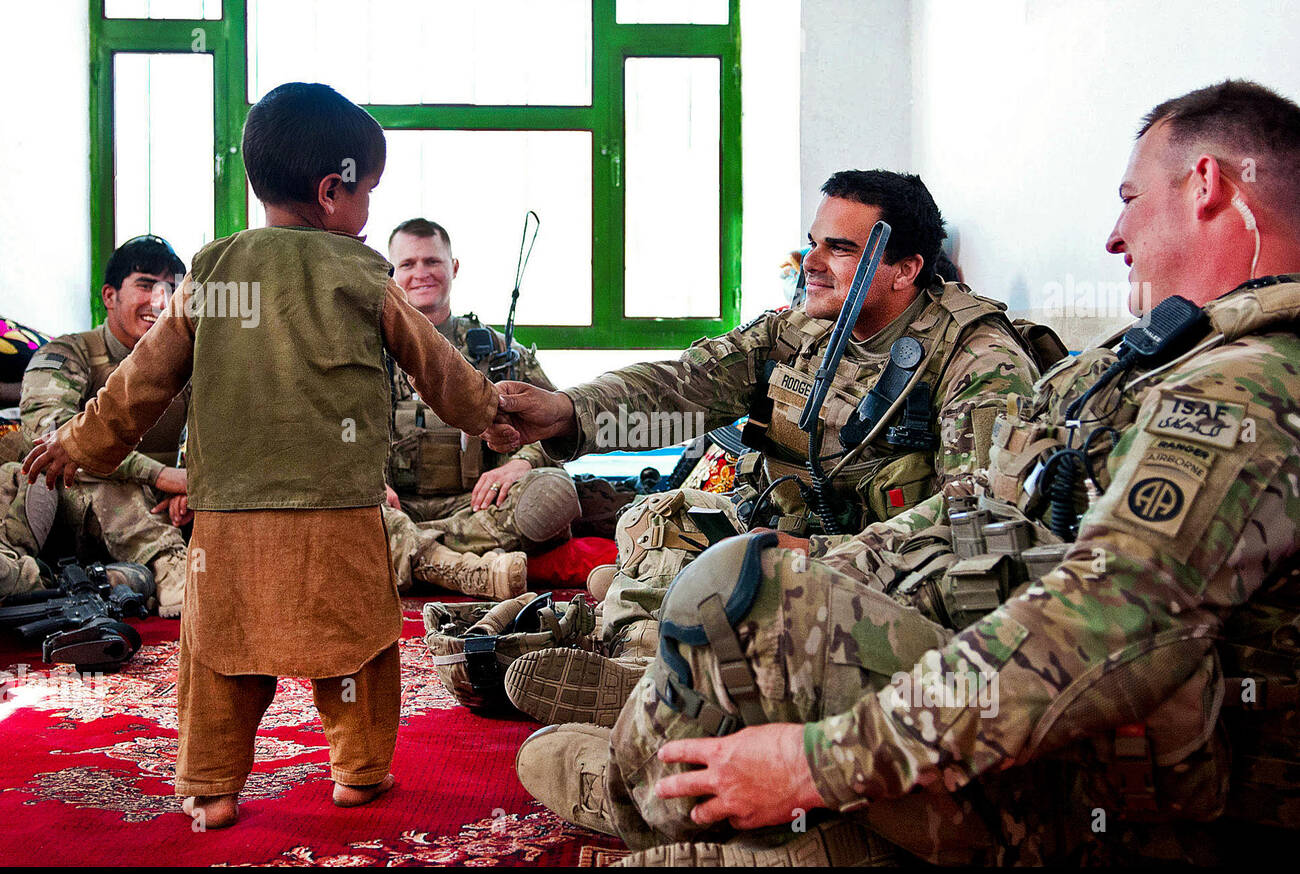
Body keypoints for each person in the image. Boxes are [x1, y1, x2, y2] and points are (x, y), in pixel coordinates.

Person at [512, 79, 1300, 866]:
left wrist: (814, 760)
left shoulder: (1246, 386)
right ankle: (684, 752)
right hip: (1041, 708)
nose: (1114, 236)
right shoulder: (1161, 360)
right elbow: (980, 509)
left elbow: (1100, 615)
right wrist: (570, 416)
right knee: (730, 567)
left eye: (1130, 198)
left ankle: (653, 781)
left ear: (1206, 185)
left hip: (1125, 784)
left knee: (762, 608)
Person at [24, 82, 501, 829]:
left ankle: (212, 789)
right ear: (331, 191)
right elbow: (438, 368)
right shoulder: (362, 272)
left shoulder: (214, 271)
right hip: (339, 515)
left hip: (229, 522)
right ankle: (358, 773)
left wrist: (76, 443)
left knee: (219, 655)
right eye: (368, 191)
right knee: (358, 650)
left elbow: (140, 383)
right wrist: (492, 415)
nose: (369, 210)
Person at [490, 170, 1045, 727]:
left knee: (740, 582)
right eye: (814, 242)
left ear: (905, 270)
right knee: (664, 516)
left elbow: (975, 521)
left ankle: (655, 691)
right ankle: (635, 657)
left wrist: (811, 556)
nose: (812, 261)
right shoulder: (806, 329)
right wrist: (564, 412)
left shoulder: (978, 361)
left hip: (881, 576)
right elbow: (684, 386)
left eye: (840, 248)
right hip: (781, 539)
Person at [380, 217, 580, 600]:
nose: (421, 273)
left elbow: (559, 425)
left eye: (432, 262)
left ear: (453, 267)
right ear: (391, 275)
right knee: (336, 512)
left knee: (555, 492)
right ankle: (463, 568)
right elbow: (335, 432)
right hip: (394, 510)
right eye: (407, 264)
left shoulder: (499, 352)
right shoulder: (370, 350)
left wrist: (524, 462)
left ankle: (416, 556)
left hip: (478, 510)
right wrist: (370, 484)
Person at [0, 236, 190, 615]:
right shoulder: (68, 352)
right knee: (84, 465)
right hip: (72, 509)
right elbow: (50, 435)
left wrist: (190, 485)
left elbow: (217, 437)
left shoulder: (187, 363)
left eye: (170, 289)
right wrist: (158, 474)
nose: (159, 300)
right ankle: (169, 570)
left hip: (166, 510)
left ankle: (128, 578)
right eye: (145, 284)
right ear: (109, 295)